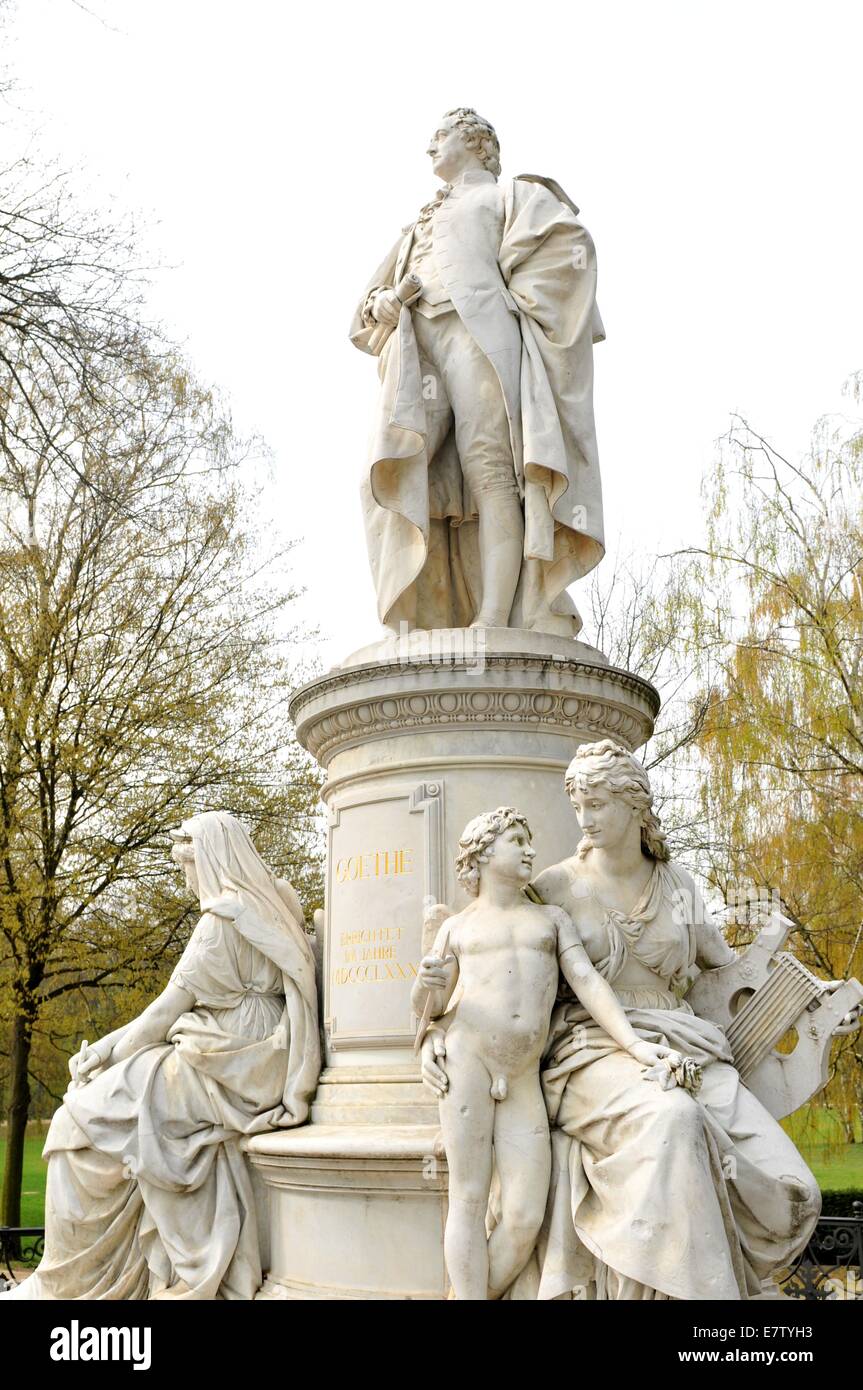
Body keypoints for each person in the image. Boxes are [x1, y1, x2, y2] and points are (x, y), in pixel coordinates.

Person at [421, 742, 822, 1300]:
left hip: (685, 1045)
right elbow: (497, 974)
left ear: (634, 804)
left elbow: (727, 970)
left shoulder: (678, 885)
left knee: (794, 1188)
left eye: (598, 804)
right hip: (592, 1049)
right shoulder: (554, 889)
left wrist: (814, 1004)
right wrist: (434, 1031)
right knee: (673, 1120)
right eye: (577, 806)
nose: (584, 819)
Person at [1, 811, 320, 1301]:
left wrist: (104, 1059)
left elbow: (162, 1015)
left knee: (76, 1120)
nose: (186, 878)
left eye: (187, 867)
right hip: (263, 1058)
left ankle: (69, 1279)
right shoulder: (273, 903)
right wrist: (106, 1050)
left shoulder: (220, 922)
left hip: (227, 1063)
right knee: (134, 1085)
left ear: (207, 861)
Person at [351, 107, 605, 637]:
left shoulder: (512, 196)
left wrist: (519, 308)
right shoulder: (419, 222)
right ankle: (410, 615)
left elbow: (569, 249)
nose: (430, 147)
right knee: (390, 469)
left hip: (480, 339)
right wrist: (382, 302)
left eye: (440, 135)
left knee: (489, 470)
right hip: (418, 349)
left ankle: (494, 617)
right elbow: (369, 302)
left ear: (477, 142)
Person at [412, 806, 684, 1300]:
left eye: (528, 840)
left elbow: (588, 982)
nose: (530, 850)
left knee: (523, 1215)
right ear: (483, 852)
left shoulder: (551, 919)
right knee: (468, 1197)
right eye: (517, 840)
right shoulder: (457, 928)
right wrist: (423, 989)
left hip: (522, 1075)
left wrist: (634, 1043)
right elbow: (430, 1008)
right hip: (467, 1065)